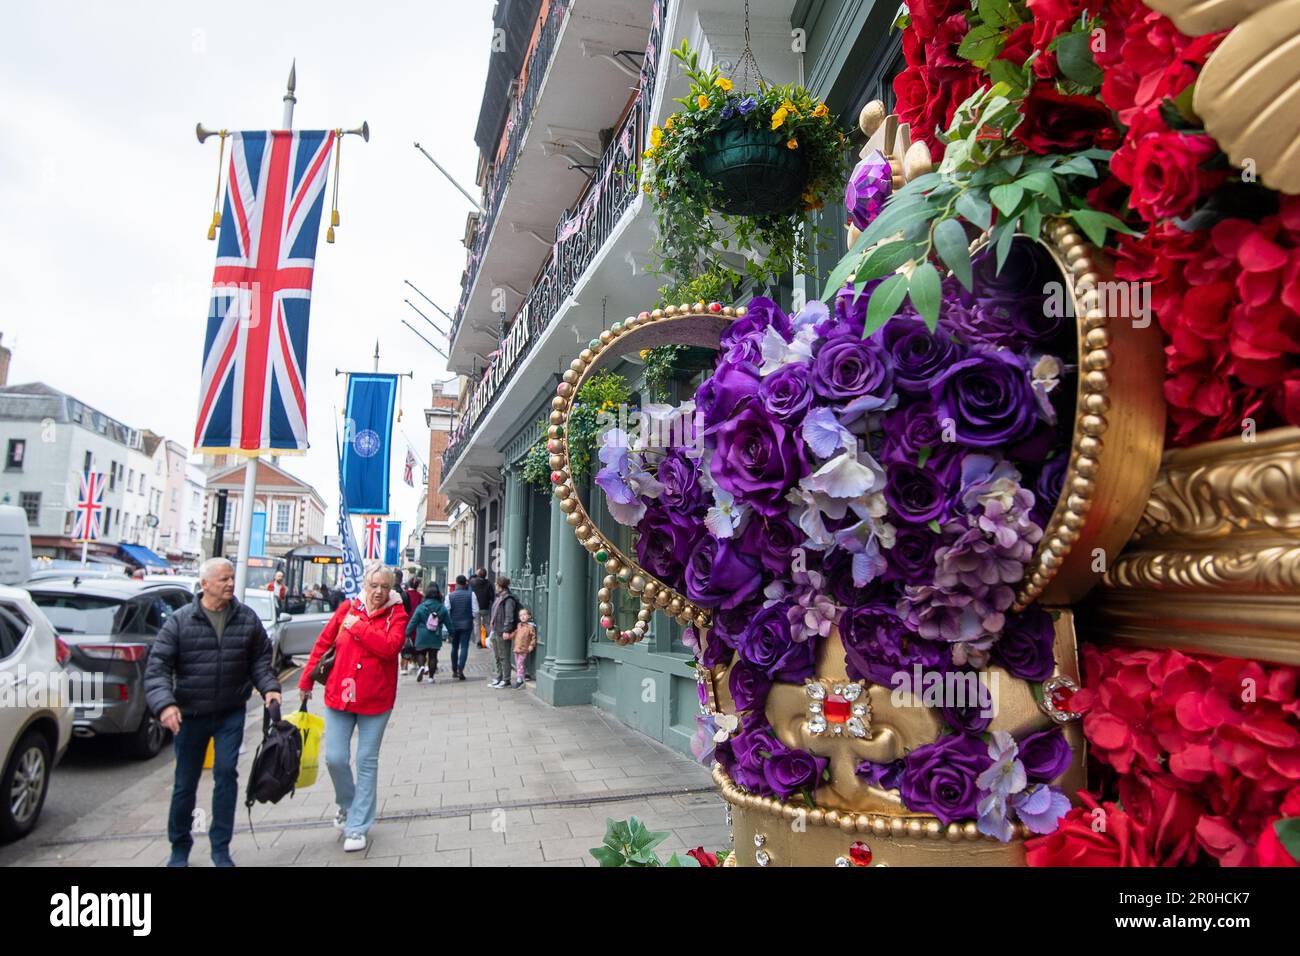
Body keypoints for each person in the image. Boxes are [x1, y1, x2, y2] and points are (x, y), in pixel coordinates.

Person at [143, 557, 282, 867]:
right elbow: (158, 668)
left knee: (225, 775)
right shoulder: (180, 621)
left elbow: (260, 661)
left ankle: (220, 847)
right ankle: (179, 848)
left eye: (232, 578)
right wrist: (165, 704)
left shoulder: (246, 619)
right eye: (223, 579)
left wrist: (269, 687)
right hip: (190, 715)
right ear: (204, 584)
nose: (230, 584)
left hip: (230, 713)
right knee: (185, 783)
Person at [299, 562, 408, 853]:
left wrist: (358, 628)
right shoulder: (347, 608)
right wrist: (306, 680)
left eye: (385, 587)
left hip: (376, 699)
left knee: (366, 761)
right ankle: (347, 805)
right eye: (374, 586)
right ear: (364, 585)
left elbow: (390, 647)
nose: (379, 592)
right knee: (334, 758)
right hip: (340, 695)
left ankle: (358, 825)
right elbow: (323, 644)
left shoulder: (397, 614)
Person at [406, 583, 448, 683]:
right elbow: (448, 622)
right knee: (433, 656)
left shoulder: (421, 607)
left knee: (421, 653)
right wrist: (452, 632)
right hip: (435, 635)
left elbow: (413, 621)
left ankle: (421, 667)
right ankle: (431, 677)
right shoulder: (442, 608)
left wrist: (407, 633)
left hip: (422, 635)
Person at [487, 576, 520, 689]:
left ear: (501, 586)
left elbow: (509, 617)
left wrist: (506, 630)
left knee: (504, 656)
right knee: (497, 656)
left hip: (502, 631)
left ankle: (506, 680)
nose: (495, 587)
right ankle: (499, 677)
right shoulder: (499, 597)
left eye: (496, 585)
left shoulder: (508, 599)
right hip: (496, 630)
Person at [445, 574, 478, 680]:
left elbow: (447, 611)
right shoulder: (471, 595)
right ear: (465, 583)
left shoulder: (449, 596)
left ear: (456, 583)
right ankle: (461, 669)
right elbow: (476, 611)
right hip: (467, 624)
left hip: (454, 625)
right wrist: (470, 617)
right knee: (464, 647)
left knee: (454, 647)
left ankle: (454, 670)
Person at [511, 606, 537, 690]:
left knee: (520, 664)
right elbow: (515, 633)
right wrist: (509, 636)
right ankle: (522, 676)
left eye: (524, 615)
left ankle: (519, 680)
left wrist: (531, 645)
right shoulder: (519, 625)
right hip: (517, 648)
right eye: (521, 615)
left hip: (523, 648)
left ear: (529, 616)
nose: (522, 616)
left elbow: (533, 637)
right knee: (518, 664)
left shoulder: (530, 627)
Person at [469, 567, 493, 648]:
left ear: (477, 574)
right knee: (487, 624)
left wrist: (475, 574)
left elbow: (470, 578)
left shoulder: (473, 582)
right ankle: (491, 640)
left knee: (477, 624)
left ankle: (478, 642)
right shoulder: (488, 583)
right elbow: (492, 596)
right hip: (485, 606)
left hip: (475, 607)